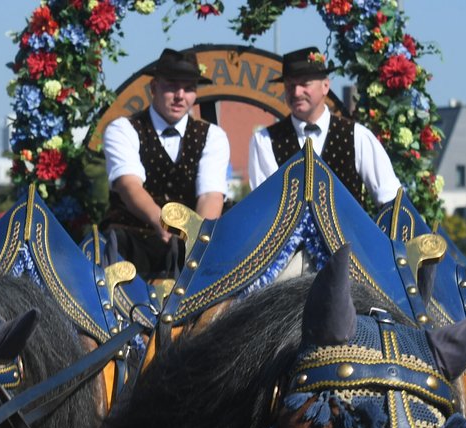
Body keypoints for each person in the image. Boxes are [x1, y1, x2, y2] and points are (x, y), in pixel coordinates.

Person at [99, 48, 228, 278]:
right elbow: (129, 186)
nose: (180, 95)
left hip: (187, 245)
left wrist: (196, 241)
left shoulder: (213, 136)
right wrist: (161, 222)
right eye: (172, 86)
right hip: (131, 241)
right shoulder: (122, 129)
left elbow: (211, 195)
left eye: (188, 88)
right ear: (154, 87)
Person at [247, 48, 402, 207]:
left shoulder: (357, 136)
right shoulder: (265, 141)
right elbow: (264, 207)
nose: (296, 92)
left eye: (304, 84)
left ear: (325, 86)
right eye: (290, 85)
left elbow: (391, 199)